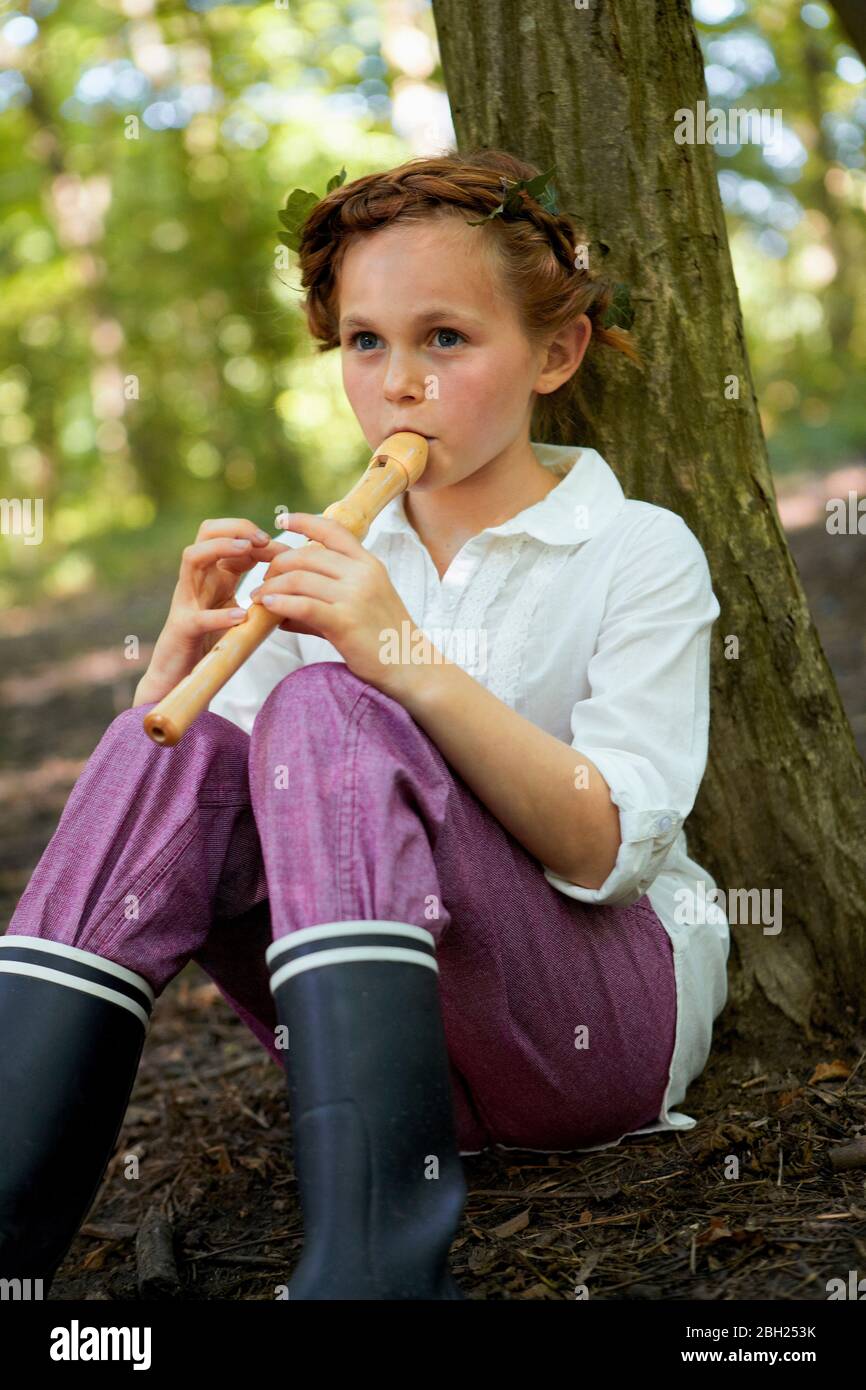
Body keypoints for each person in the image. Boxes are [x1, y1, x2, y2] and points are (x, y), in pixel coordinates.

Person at [0, 149, 730, 1299]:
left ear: (554, 351)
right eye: (364, 342)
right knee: (189, 745)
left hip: (592, 1031)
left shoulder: (635, 548)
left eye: (445, 338)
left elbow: (604, 849)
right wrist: (165, 696)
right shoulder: (326, 560)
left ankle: (373, 1281)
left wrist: (397, 658)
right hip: (401, 1062)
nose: (398, 383)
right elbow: (190, 820)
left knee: (331, 706)